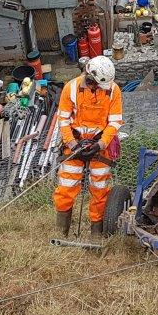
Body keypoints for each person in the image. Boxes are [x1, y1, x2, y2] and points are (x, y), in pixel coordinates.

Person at [53, 55, 123, 238]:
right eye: (97, 85)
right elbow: (63, 120)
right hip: (74, 145)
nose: (98, 89)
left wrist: (100, 144)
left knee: (100, 191)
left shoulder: (113, 90)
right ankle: (61, 233)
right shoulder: (71, 88)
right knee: (66, 188)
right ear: (90, 78)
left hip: (100, 146)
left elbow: (114, 123)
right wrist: (72, 144)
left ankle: (96, 235)